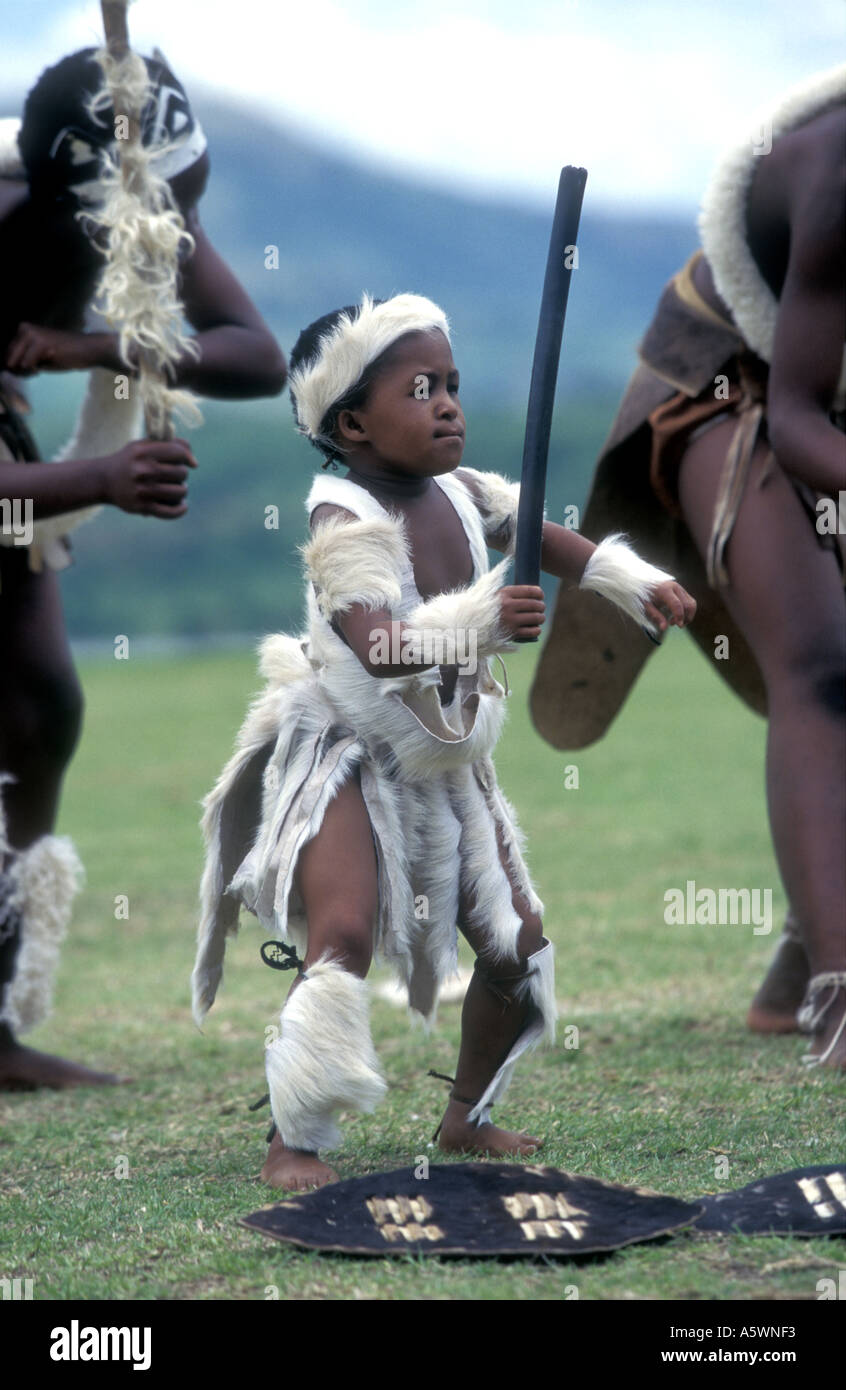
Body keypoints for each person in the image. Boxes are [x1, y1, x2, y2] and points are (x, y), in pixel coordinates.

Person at [193, 291, 696, 1190]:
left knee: (518, 944)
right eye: (422, 387)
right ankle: (293, 1139)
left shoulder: (462, 492)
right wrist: (482, 620)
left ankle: (467, 1115)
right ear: (351, 422)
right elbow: (379, 645)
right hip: (347, 756)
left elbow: (544, 536)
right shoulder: (342, 519)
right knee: (341, 931)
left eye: (453, 384)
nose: (450, 404)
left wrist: (629, 578)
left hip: (448, 764)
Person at [530, 65, 845, 1068]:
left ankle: (796, 963)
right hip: (736, 379)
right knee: (822, 666)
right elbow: (796, 413)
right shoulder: (837, 172)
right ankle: (838, 998)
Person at [0, 48, 286, 1090]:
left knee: (37, 708)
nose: (176, 225)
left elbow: (257, 355)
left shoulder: (148, 199)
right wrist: (100, 476)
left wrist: (103, 348)